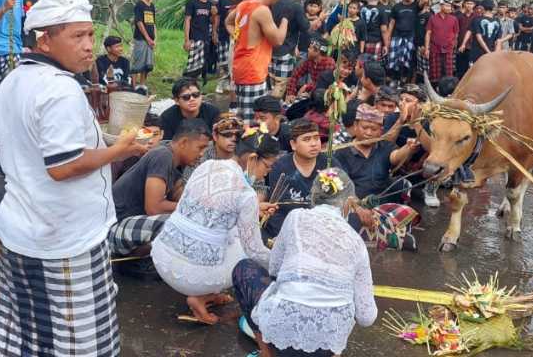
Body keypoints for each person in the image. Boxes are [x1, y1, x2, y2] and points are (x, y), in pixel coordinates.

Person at [0, 0, 145, 356]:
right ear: (45, 39)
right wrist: (120, 150)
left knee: (31, 335)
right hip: (66, 238)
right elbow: (62, 166)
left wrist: (105, 141)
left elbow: (34, 146)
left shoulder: (13, 80)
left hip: (22, 229)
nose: (89, 46)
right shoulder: (59, 89)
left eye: (90, 35)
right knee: (81, 340)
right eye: (77, 36)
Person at [233, 167, 377, 357]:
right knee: (349, 294)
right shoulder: (357, 243)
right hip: (325, 347)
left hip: (281, 336)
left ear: (313, 195)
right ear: (349, 202)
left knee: (244, 268)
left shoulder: (295, 217)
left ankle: (267, 353)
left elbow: (275, 269)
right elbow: (367, 317)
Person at [151, 129, 279, 324]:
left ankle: (208, 291)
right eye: (268, 168)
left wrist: (254, 210)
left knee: (227, 235)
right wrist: (280, 266)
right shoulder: (246, 194)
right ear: (253, 158)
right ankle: (199, 296)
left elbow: (212, 210)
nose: (266, 174)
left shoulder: (207, 166)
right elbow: (254, 250)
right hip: (188, 275)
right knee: (247, 254)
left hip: (162, 255)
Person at [110, 119, 209, 261]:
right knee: (176, 223)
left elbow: (181, 199)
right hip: (116, 230)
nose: (201, 154)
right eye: (200, 148)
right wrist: (194, 208)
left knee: (193, 218)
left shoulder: (177, 162)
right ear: (183, 143)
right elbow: (154, 208)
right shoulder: (162, 155)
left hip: (134, 229)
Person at [227, 0, 288, 122]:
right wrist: (285, 20)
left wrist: (238, 37)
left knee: (243, 118)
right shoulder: (262, 11)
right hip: (252, 72)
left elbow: (228, 22)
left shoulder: (244, 4)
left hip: (240, 67)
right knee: (253, 123)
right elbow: (278, 40)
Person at [333, 104, 418, 202]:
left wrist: (408, 148)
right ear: (355, 126)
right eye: (364, 128)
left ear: (381, 131)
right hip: (355, 203)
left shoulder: (385, 146)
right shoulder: (342, 153)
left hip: (383, 202)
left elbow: (396, 157)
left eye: (374, 129)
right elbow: (342, 187)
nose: (368, 133)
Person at [264, 118, 327, 238]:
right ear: (293, 144)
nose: (314, 143)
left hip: (321, 226)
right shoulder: (280, 167)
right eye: (307, 139)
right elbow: (280, 207)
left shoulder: (329, 163)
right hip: (287, 226)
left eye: (316, 138)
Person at [269, 0, 309, 98]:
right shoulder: (297, 6)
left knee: (271, 82)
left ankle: (269, 108)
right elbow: (305, 27)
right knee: (281, 83)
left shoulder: (275, 0)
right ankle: (274, 109)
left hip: (270, 46)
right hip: (286, 49)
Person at [386, 0, 428, 82]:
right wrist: (388, 40)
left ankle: (404, 82)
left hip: (409, 37)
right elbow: (391, 24)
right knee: (394, 61)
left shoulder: (415, 6)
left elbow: (425, 0)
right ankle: (394, 81)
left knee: (407, 61)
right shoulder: (396, 7)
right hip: (396, 36)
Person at [184, 114, 241, 180]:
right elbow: (187, 184)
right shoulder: (200, 155)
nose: (234, 138)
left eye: (237, 134)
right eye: (228, 134)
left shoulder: (244, 153)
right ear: (215, 136)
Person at [215, 0, 243, 95]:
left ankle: (231, 83)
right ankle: (221, 83)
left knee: (233, 61)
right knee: (223, 61)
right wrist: (214, 32)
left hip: (237, 36)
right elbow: (217, 16)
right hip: (223, 34)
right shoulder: (223, 1)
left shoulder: (242, 1)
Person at [183, 0, 215, 81]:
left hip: (205, 38)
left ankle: (198, 86)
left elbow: (212, 21)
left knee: (203, 64)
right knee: (193, 65)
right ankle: (188, 83)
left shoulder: (210, 4)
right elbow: (187, 20)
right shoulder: (192, 2)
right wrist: (186, 40)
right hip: (194, 38)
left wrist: (214, 15)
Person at [286, 37, 335, 103]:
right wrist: (291, 94)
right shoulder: (309, 61)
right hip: (313, 92)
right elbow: (295, 76)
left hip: (326, 97)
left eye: (310, 48)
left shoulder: (329, 63)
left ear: (318, 52)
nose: (308, 50)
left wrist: (307, 87)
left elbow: (324, 84)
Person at [132, 0, 157, 86]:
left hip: (150, 40)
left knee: (147, 65)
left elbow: (153, 23)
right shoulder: (139, 5)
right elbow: (139, 22)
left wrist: (155, 38)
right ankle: (132, 86)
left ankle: (142, 85)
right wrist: (147, 38)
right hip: (141, 39)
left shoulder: (151, 6)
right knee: (137, 64)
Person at [467, 0, 503, 64]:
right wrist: (495, 54)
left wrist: (488, 52)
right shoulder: (497, 21)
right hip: (492, 53)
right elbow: (498, 40)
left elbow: (479, 38)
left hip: (478, 53)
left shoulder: (477, 20)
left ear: (483, 8)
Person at [359, 0, 389, 64]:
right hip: (375, 41)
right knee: (374, 65)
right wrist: (386, 45)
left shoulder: (361, 9)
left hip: (361, 42)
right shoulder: (382, 10)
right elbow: (384, 30)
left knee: (362, 64)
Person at [453, 0, 476, 78]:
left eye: (471, 4)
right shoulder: (459, 17)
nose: (469, 5)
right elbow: (455, 31)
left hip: (472, 46)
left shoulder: (477, 17)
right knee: (460, 68)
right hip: (460, 46)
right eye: (467, 3)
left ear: (474, 5)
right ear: (464, 4)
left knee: (471, 69)